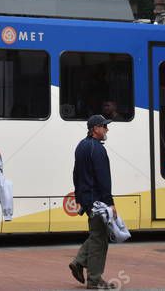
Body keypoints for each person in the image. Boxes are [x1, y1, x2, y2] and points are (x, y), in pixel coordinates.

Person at [69, 114, 116, 290]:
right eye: (104, 126)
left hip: (87, 199)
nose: (107, 129)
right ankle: (94, 279)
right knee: (99, 239)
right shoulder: (98, 149)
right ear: (95, 129)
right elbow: (103, 179)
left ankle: (80, 262)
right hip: (98, 201)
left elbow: (76, 174)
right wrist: (110, 202)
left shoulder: (81, 146)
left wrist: (79, 197)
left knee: (97, 235)